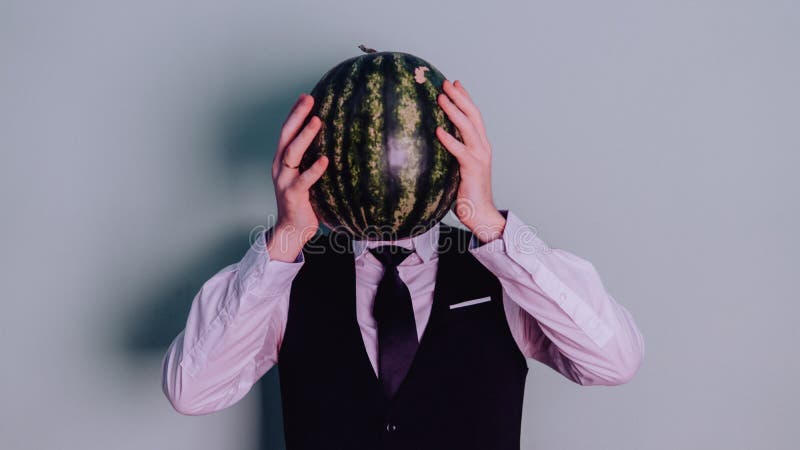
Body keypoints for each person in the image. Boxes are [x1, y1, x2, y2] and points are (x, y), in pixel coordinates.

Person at [161, 79, 645, 450]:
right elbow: (191, 390)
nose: (387, 160)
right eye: (366, 145)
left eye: (404, 144)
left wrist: (490, 224)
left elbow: (615, 360)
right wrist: (286, 236)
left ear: (444, 152)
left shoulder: (506, 272)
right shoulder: (287, 281)